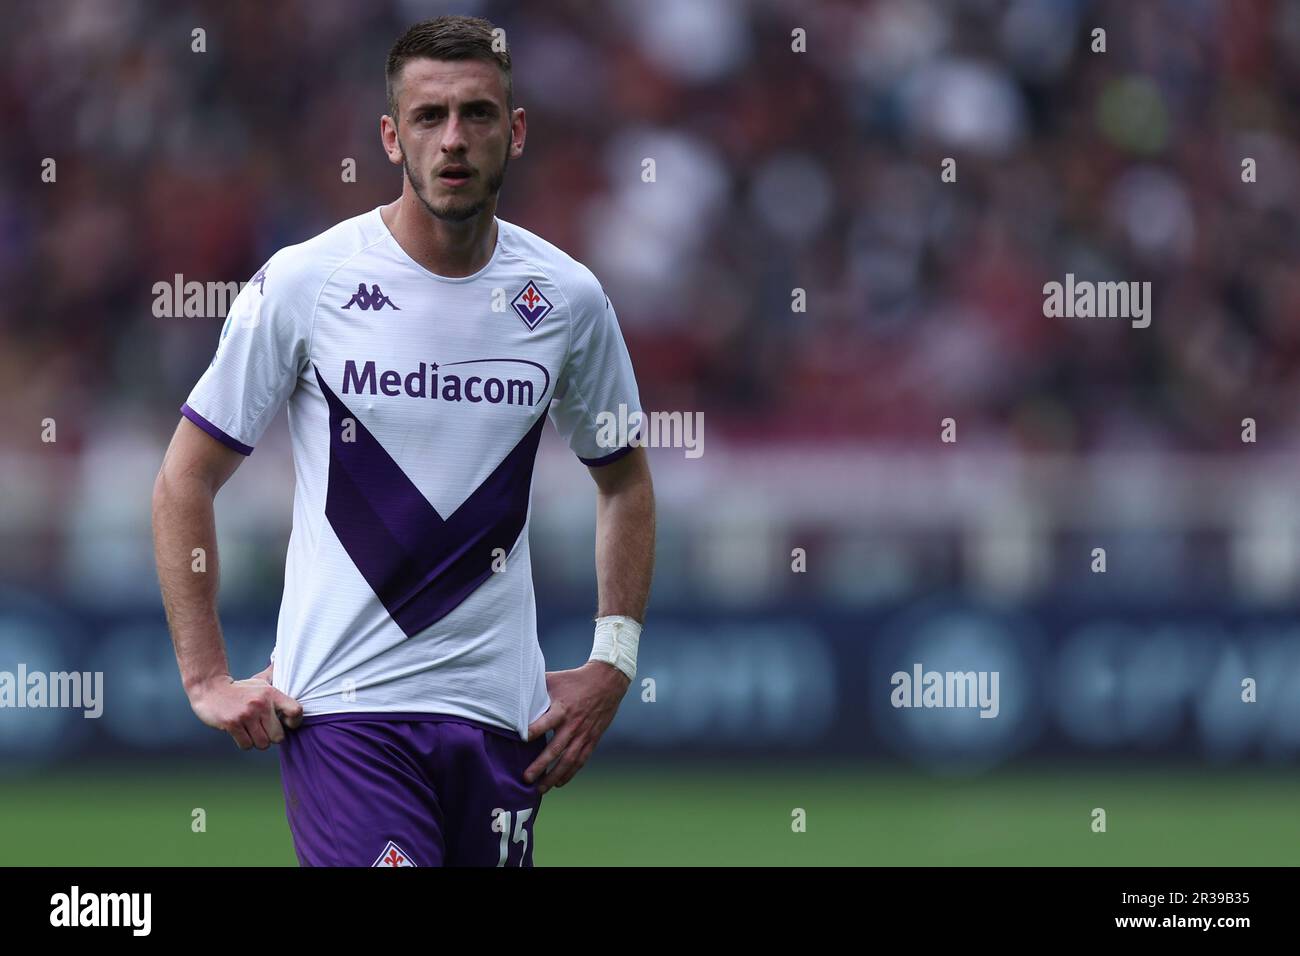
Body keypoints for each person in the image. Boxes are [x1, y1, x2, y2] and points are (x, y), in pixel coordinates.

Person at [151, 14, 655, 867]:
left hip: (502, 720)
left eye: (477, 114)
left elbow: (626, 482)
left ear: (515, 131)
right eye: (429, 117)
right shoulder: (309, 281)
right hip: (346, 714)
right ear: (391, 137)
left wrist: (614, 659)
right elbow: (183, 481)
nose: (453, 140)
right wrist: (205, 676)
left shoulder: (566, 299)